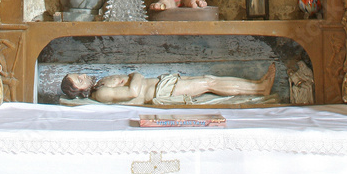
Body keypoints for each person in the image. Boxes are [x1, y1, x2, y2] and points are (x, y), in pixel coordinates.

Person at [61, 63, 276, 106]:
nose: (83, 76)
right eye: (79, 80)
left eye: (79, 74)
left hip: (163, 84)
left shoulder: (100, 86)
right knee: (209, 83)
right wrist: (135, 74)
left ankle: (256, 84)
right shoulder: (100, 94)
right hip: (162, 91)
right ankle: (260, 89)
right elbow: (132, 91)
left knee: (209, 79)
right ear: (79, 91)